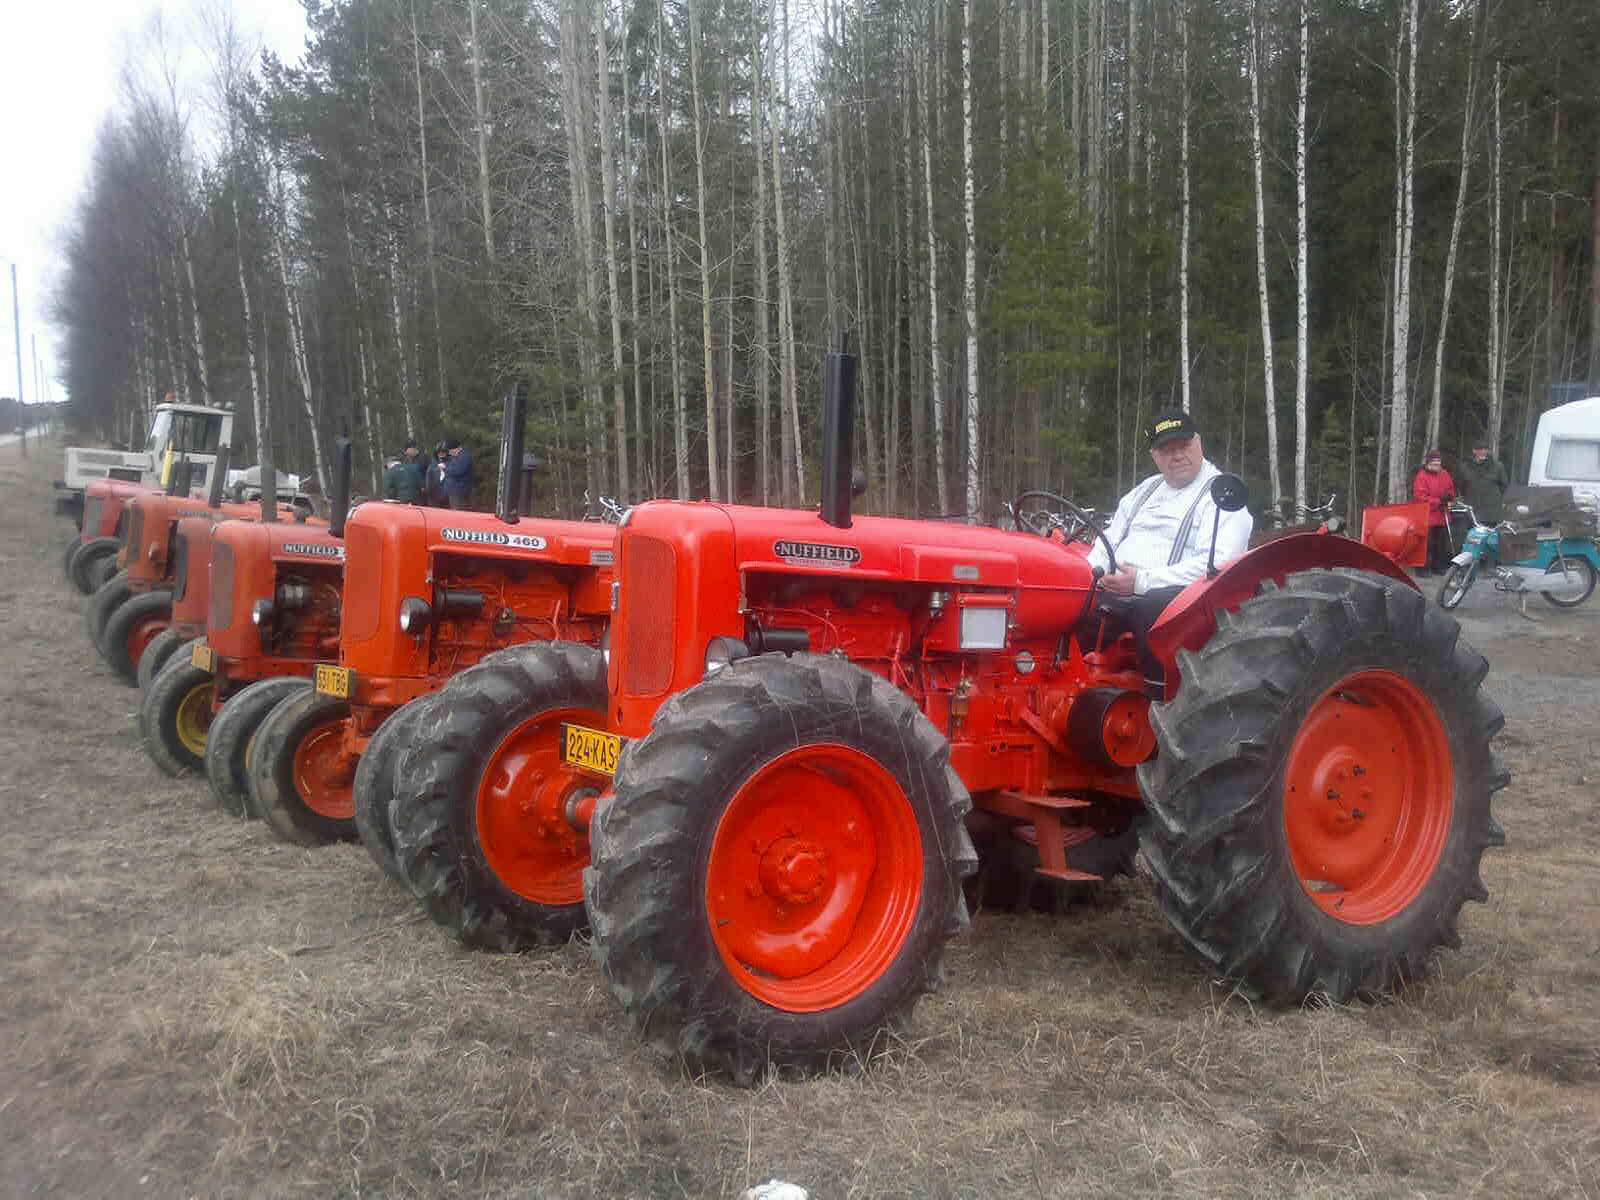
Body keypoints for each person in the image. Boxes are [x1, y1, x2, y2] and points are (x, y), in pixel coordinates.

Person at [1084, 408, 1254, 694]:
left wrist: (1141, 582)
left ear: (1198, 442)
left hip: (1182, 602)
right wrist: (1090, 573)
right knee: (1073, 606)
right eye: (1166, 450)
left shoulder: (1221, 495)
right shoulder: (1145, 490)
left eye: (1183, 446)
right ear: (1155, 456)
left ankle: (1160, 701)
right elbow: (1107, 540)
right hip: (1118, 591)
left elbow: (1218, 565)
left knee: (1153, 609)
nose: (1177, 456)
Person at [1411, 449, 1456, 575]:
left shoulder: (1444, 474)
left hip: (1442, 514)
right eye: (1434, 464)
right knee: (1426, 544)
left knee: (1441, 543)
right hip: (1427, 515)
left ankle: (1438, 566)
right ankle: (1422, 568)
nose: (1437, 466)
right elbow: (1420, 497)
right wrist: (1438, 501)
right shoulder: (1421, 476)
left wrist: (1449, 497)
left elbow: (1451, 490)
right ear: (1428, 463)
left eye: (1438, 464)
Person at [1457, 436, 1509, 526]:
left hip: (1491, 513)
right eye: (1480, 449)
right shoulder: (1465, 467)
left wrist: (1493, 496)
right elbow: (1461, 486)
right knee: (1472, 534)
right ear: (1474, 451)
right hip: (1472, 511)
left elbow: (1504, 485)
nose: (1483, 452)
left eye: (1485, 449)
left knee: (1490, 534)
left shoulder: (1497, 466)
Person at [443, 437, 475, 510]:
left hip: (459, 490)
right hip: (454, 489)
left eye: (450, 451)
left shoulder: (464, 457)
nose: (449, 453)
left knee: (458, 511)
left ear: (456, 448)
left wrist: (445, 469)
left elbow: (458, 471)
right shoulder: (455, 456)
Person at [423, 441, 450, 507]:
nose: (441, 453)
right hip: (434, 497)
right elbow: (428, 481)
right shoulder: (432, 465)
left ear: (446, 453)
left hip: (448, 497)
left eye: (443, 452)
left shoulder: (451, 464)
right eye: (439, 452)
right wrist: (429, 493)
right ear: (436, 453)